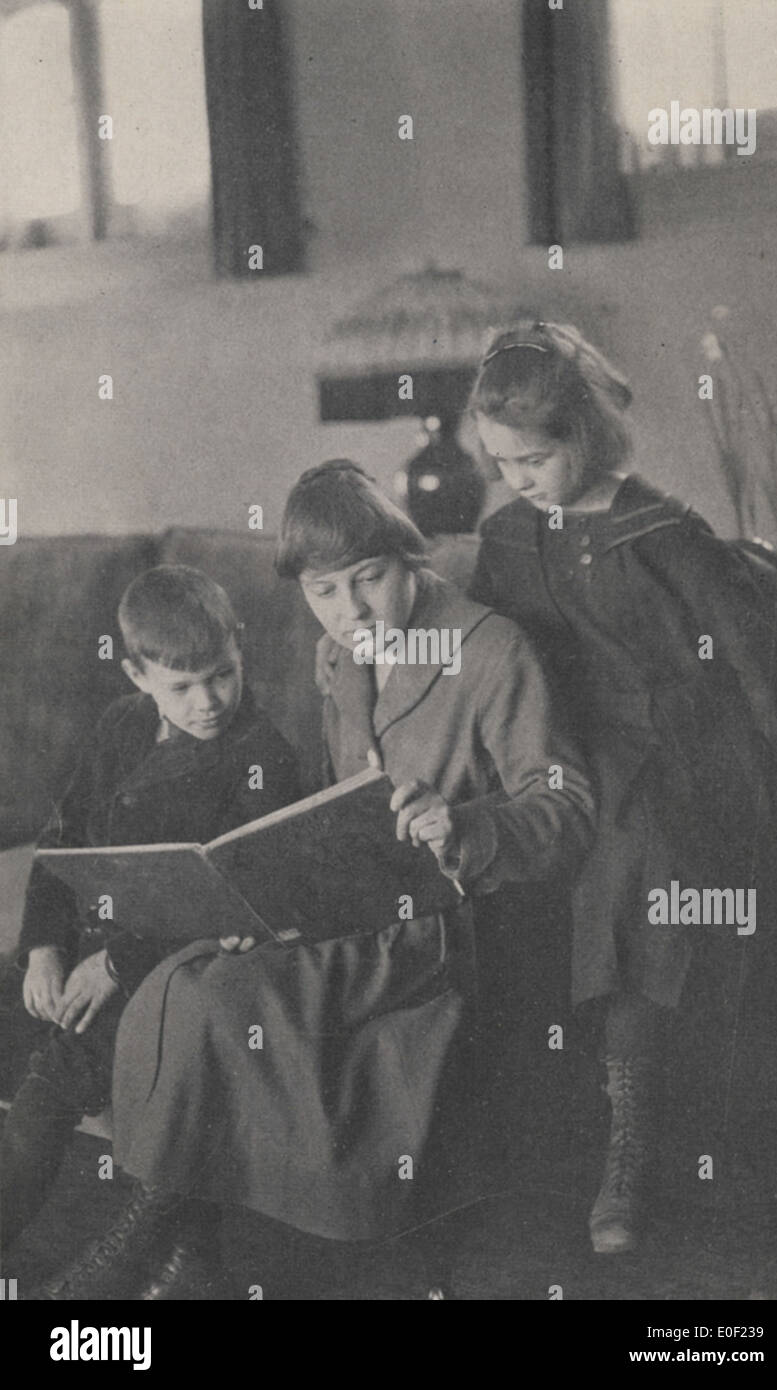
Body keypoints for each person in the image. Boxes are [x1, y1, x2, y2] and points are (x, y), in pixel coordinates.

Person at [53, 459, 595, 1301]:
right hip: (350, 910)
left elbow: (568, 809)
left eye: (369, 581)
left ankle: (145, 1237)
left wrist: (470, 825)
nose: (350, 614)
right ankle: (181, 1238)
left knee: (214, 1000)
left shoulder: (493, 651)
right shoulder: (336, 659)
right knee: (175, 980)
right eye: (323, 593)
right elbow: (335, 799)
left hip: (441, 925)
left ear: (408, 558)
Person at [466, 319, 777, 1254]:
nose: (516, 480)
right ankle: (519, 1140)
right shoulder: (505, 537)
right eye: (499, 462)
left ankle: (631, 1142)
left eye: (533, 459)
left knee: (629, 843)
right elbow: (484, 659)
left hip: (682, 755)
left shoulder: (664, 532)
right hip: (555, 747)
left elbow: (760, 671)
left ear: (585, 436)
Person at [0, 565, 300, 1283]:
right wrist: (42, 946)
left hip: (176, 968)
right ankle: (187, 1252)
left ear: (241, 646)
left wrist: (114, 964)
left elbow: (234, 901)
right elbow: (65, 840)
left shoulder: (264, 757)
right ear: (136, 674)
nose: (208, 703)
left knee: (55, 1078)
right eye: (182, 686)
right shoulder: (120, 726)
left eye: (222, 675)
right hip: (84, 947)